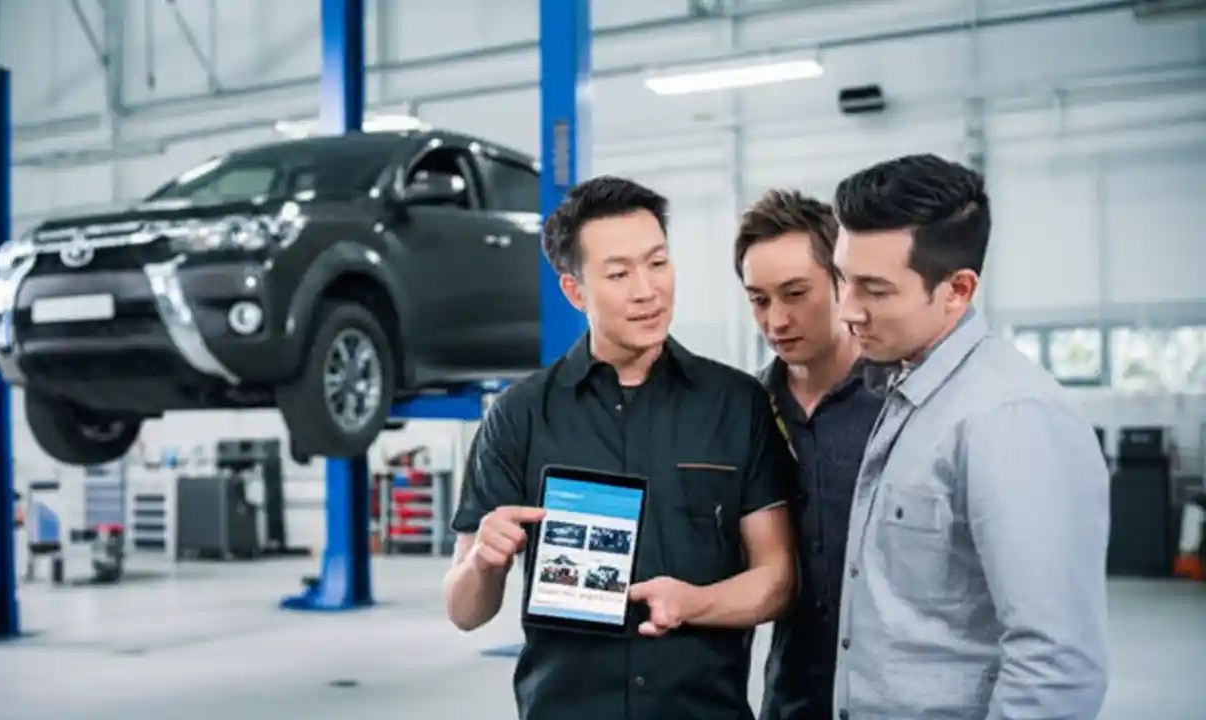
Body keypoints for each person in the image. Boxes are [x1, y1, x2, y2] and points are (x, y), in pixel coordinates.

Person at [443, 175, 800, 720]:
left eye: (657, 263)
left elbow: (776, 577)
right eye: (618, 273)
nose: (646, 289)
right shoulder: (520, 415)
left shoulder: (737, 404)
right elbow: (465, 611)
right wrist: (483, 566)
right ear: (575, 291)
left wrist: (693, 603)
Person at [828, 154, 1110, 719]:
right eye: (842, 279)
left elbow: (1056, 664)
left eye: (875, 290)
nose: (847, 310)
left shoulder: (1011, 419)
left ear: (957, 289)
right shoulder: (907, 387)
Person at [733, 189, 885, 720]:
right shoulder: (745, 413)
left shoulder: (903, 404)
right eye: (759, 299)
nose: (776, 319)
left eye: (795, 293)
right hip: (793, 697)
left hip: (899, 697)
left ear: (841, 282)